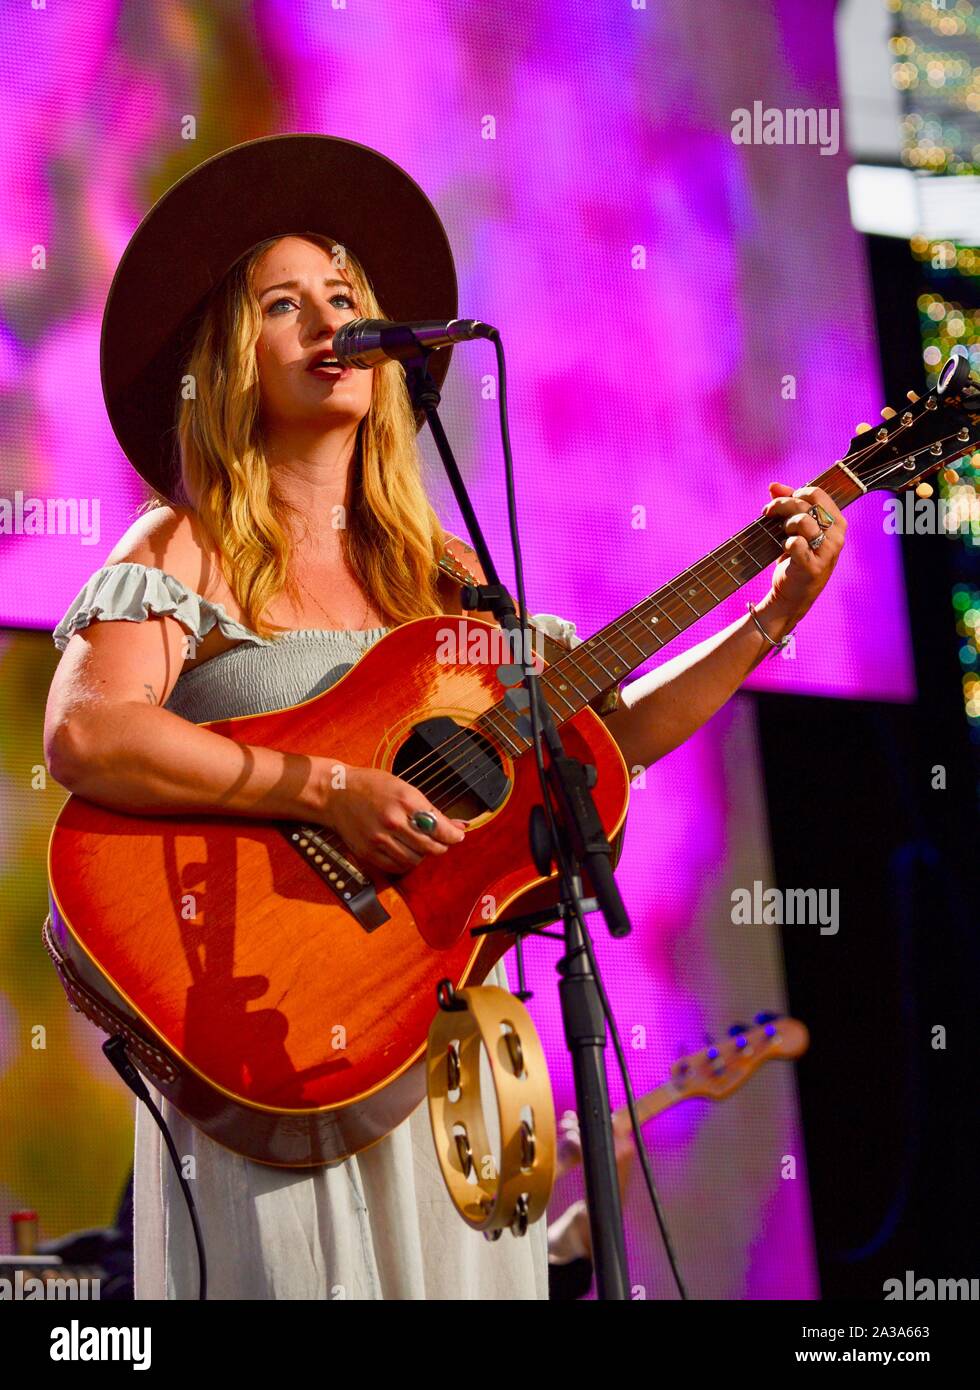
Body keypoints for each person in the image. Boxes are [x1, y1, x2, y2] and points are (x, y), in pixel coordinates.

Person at [42, 135, 846, 1301]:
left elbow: (601, 737)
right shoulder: (184, 547)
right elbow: (89, 736)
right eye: (286, 304)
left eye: (346, 297)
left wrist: (772, 616)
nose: (331, 322)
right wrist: (324, 789)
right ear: (231, 357)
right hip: (260, 1036)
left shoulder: (450, 579)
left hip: (448, 1068)